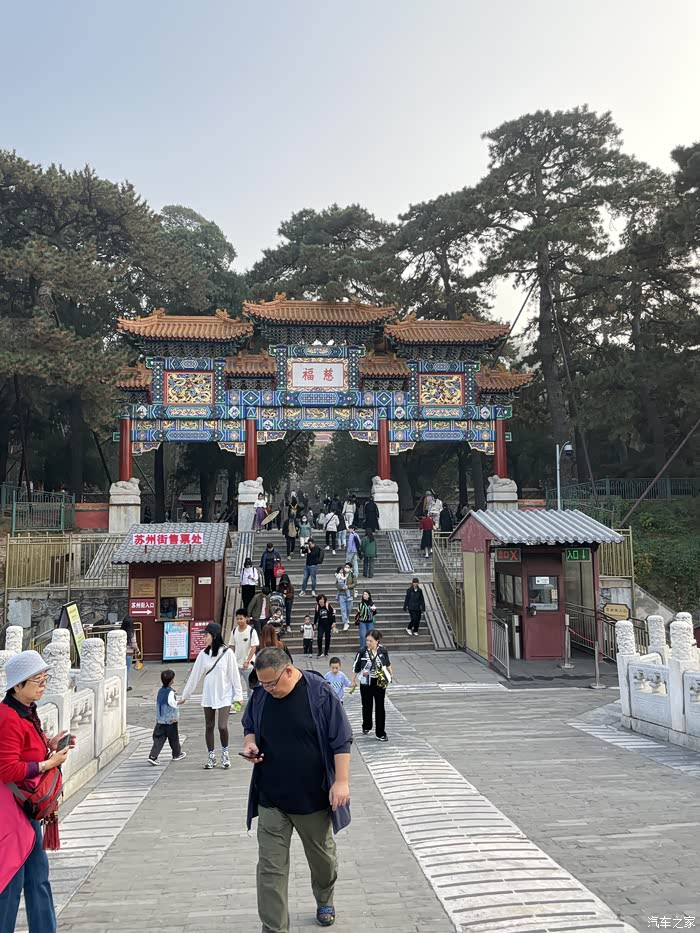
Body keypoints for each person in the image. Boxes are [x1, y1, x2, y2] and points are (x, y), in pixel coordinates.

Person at [241, 647, 352, 931]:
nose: (267, 689)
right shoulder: (262, 694)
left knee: (323, 860)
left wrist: (341, 782)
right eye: (262, 684)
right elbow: (249, 724)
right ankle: (274, 927)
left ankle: (325, 897)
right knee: (270, 868)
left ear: (289, 671)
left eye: (271, 684)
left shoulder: (320, 693)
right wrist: (250, 743)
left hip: (312, 798)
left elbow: (341, 739)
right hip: (271, 797)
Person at [0, 651, 72, 933]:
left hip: (27, 808)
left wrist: (49, 745)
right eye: (37, 681)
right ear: (17, 685)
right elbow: (7, 769)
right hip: (11, 812)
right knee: (11, 882)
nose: (43, 686)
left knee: (38, 878)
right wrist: (48, 763)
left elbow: (24, 751)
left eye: (45, 680)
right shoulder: (8, 717)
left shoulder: (27, 710)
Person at [180, 622, 243, 770]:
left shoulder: (227, 653)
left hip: (224, 695)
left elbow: (235, 676)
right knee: (209, 726)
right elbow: (194, 676)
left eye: (206, 635)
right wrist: (185, 695)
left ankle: (225, 753)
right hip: (208, 695)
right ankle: (211, 755)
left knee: (222, 726)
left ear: (214, 636)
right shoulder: (203, 654)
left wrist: (238, 696)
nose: (204, 638)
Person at [351, 630, 392, 742]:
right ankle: (367, 725)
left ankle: (380, 732)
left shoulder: (383, 650)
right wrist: (353, 680)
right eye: (367, 640)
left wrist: (390, 676)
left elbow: (387, 664)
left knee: (380, 706)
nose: (368, 643)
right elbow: (356, 666)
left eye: (371, 641)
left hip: (379, 682)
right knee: (366, 705)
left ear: (377, 641)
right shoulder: (362, 651)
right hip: (366, 682)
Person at [148, 669, 187, 765]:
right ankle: (176, 754)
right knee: (174, 738)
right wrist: (180, 702)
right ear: (171, 681)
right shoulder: (170, 692)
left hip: (160, 720)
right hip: (170, 721)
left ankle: (153, 756)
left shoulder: (160, 691)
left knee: (159, 739)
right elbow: (171, 703)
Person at [230, 608, 259, 695]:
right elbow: (232, 646)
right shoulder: (234, 631)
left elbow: (253, 648)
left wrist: (247, 661)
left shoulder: (251, 631)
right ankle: (236, 701)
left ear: (246, 618)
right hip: (236, 664)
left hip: (248, 665)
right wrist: (231, 660)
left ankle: (252, 701)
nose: (239, 621)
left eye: (241, 618)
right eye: (237, 619)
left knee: (251, 687)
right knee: (234, 686)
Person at [334, 563, 355, 631]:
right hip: (342, 594)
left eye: (348, 567)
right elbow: (337, 584)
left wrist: (348, 586)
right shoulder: (341, 574)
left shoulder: (352, 574)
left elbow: (355, 583)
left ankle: (347, 617)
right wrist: (341, 587)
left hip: (350, 594)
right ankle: (345, 623)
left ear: (350, 568)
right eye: (345, 567)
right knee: (343, 609)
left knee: (349, 608)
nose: (346, 568)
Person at [314, 594, 336, 658]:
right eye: (320, 599)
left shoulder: (328, 606)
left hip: (328, 624)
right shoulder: (317, 607)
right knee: (319, 637)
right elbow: (316, 616)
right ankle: (320, 651)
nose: (321, 601)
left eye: (322, 599)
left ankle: (326, 652)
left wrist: (334, 622)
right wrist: (314, 624)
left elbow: (333, 614)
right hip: (321, 624)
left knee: (327, 638)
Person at [121, 617, 138, 691]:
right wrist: (137, 650)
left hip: (121, 653)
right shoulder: (131, 632)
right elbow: (133, 644)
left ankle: (121, 685)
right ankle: (126, 686)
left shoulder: (121, 631)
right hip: (129, 653)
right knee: (127, 669)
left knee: (122, 669)